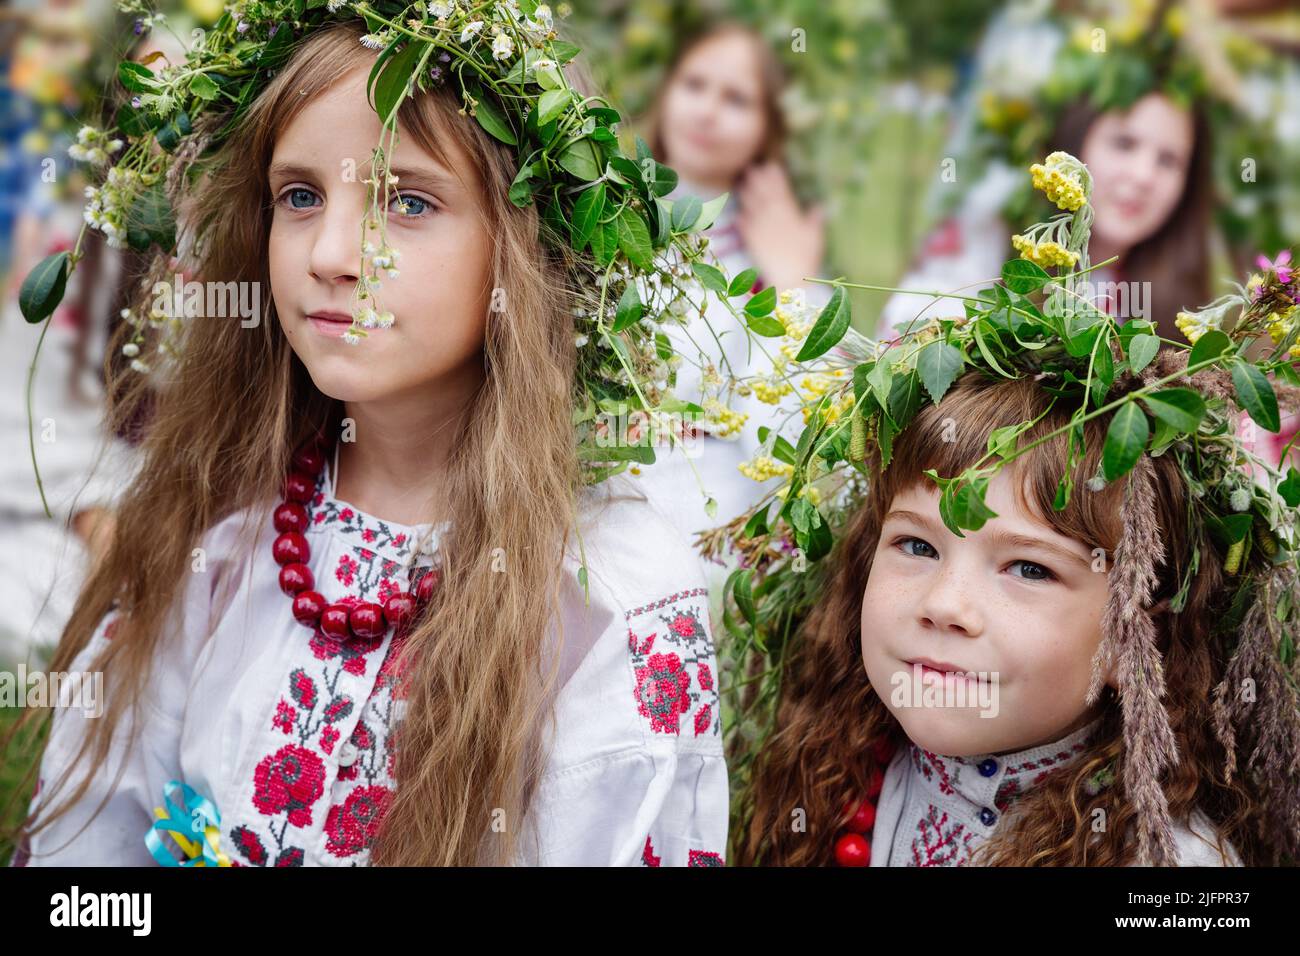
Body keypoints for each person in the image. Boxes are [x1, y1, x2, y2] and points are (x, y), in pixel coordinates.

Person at [8, 14, 729, 867]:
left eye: (409, 201)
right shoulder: (221, 537)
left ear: (525, 253)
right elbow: (95, 859)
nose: (332, 252)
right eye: (300, 195)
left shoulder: (608, 598)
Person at [725, 152, 1299, 867]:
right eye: (917, 546)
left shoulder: (1164, 863)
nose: (945, 605)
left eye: (1028, 568)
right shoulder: (831, 778)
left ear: (1135, 640)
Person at [634, 22, 832, 540]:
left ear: (769, 128)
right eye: (694, 85)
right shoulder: (596, 210)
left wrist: (793, 282)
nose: (707, 111)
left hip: (715, 530)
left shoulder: (778, 248)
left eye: (737, 99)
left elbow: (800, 444)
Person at [877, 91, 1213, 344]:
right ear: (1074, 143)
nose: (1143, 176)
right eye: (1124, 144)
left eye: (1168, 161)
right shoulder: (984, 245)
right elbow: (906, 337)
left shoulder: (1174, 309)